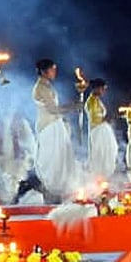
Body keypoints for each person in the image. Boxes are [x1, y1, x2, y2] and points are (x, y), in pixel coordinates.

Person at [32, 59, 80, 199]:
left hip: (55, 126)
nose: (54, 72)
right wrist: (72, 107)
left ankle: (60, 192)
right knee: (51, 161)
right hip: (48, 127)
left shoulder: (47, 86)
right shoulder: (41, 87)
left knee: (61, 159)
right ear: (43, 71)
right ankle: (51, 192)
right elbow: (52, 109)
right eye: (52, 69)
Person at [85, 79, 118, 179]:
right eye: (102, 89)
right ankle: (98, 179)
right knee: (100, 154)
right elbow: (94, 118)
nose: (104, 91)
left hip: (103, 130)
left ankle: (104, 178)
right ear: (97, 88)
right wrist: (106, 119)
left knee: (109, 152)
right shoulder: (91, 101)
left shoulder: (97, 100)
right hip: (97, 131)